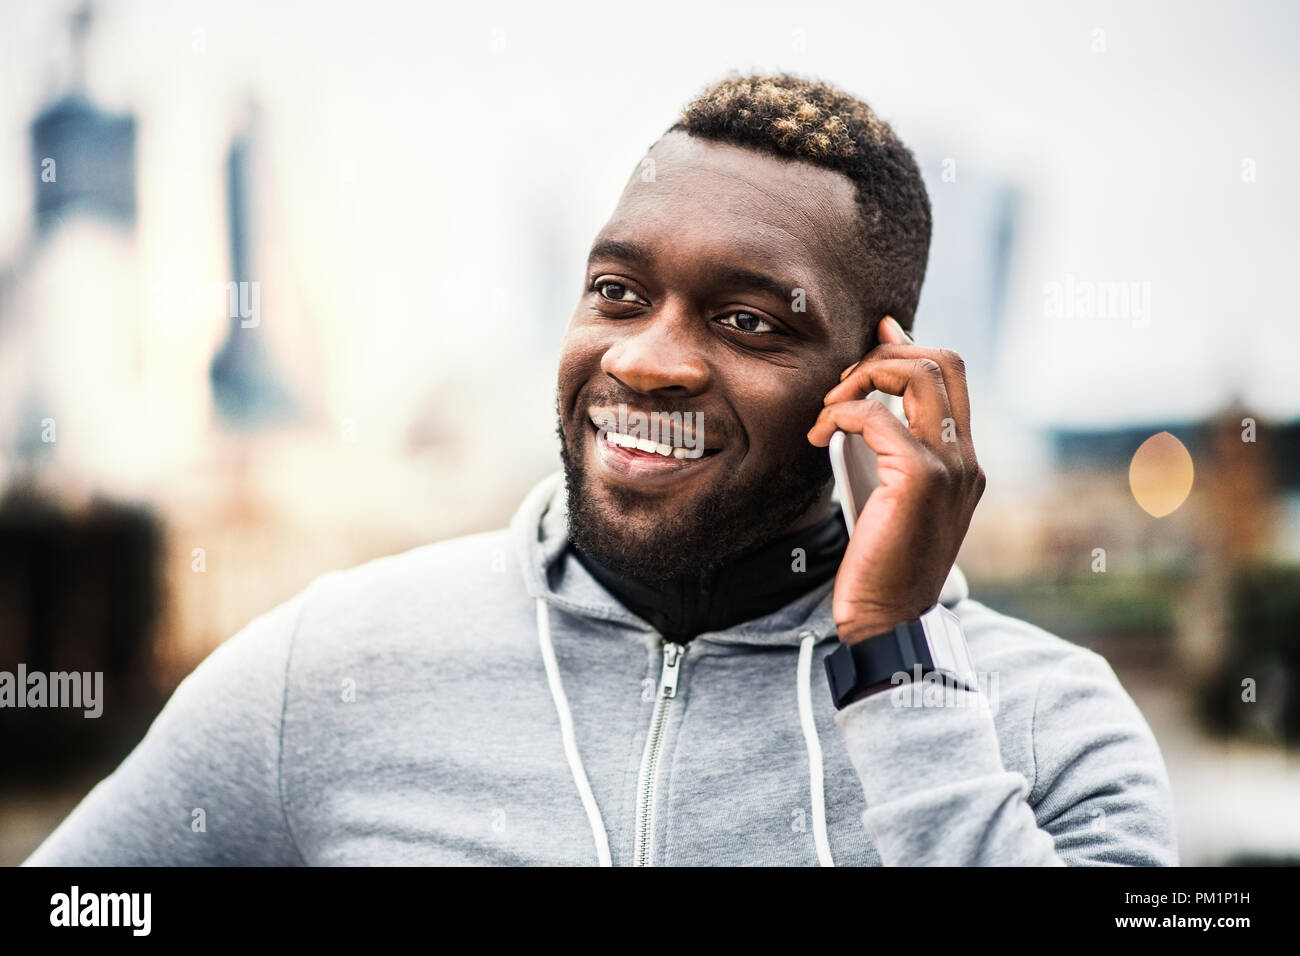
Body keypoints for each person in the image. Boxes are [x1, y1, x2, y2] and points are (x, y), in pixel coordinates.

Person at [25, 73, 1177, 866]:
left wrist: (893, 657)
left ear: (878, 379)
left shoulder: (1048, 724)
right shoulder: (327, 665)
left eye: (746, 319)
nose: (648, 358)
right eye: (617, 292)